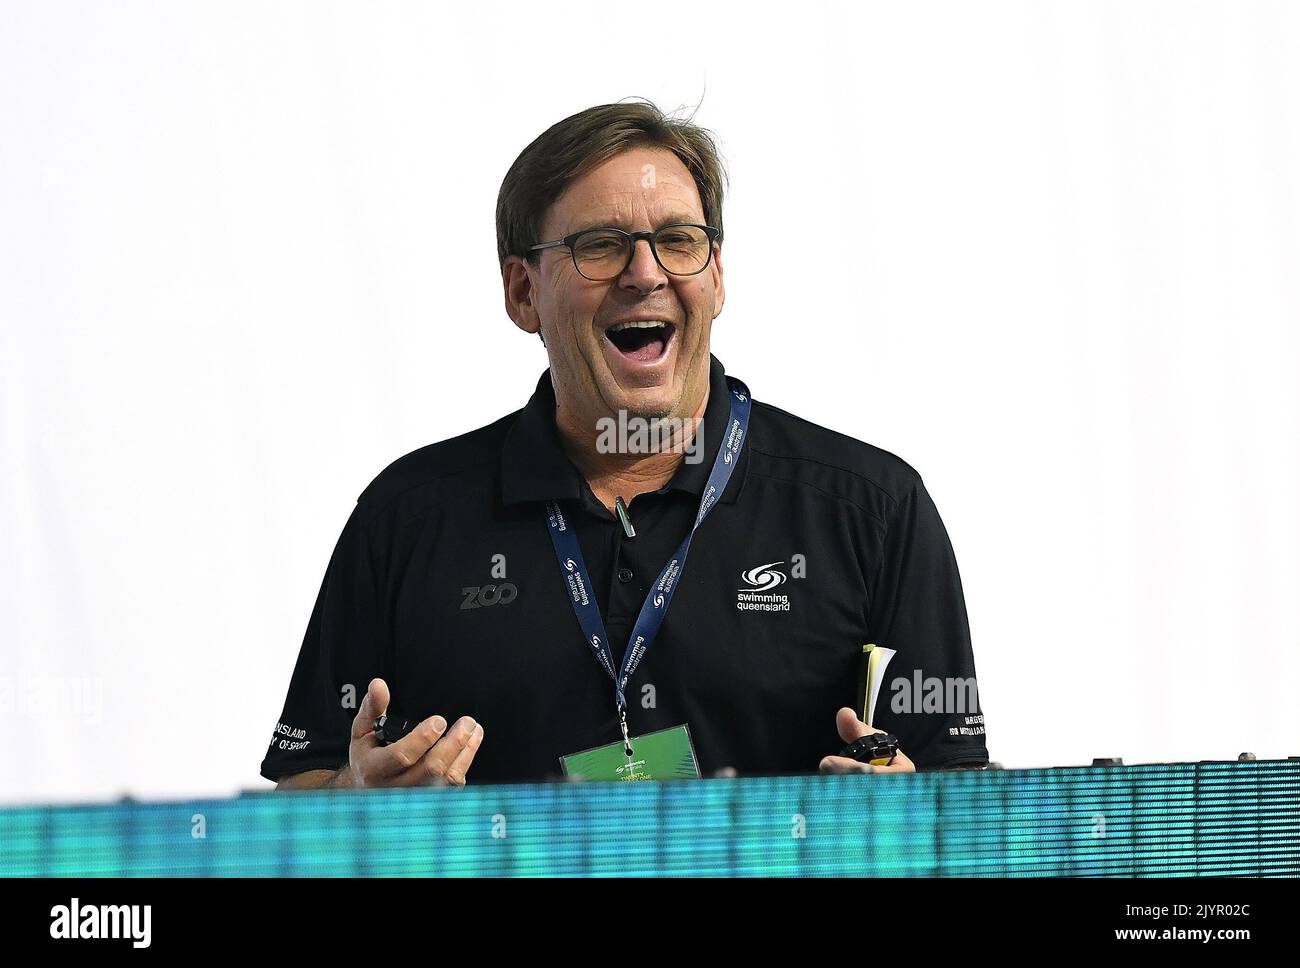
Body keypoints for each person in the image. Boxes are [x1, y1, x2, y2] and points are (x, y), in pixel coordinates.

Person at [261, 99, 988, 789]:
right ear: (522, 292)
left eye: (678, 240)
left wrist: (910, 810)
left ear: (718, 276)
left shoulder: (874, 510)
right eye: (600, 246)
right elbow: (300, 788)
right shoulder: (406, 515)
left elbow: (964, 799)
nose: (646, 274)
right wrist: (357, 795)